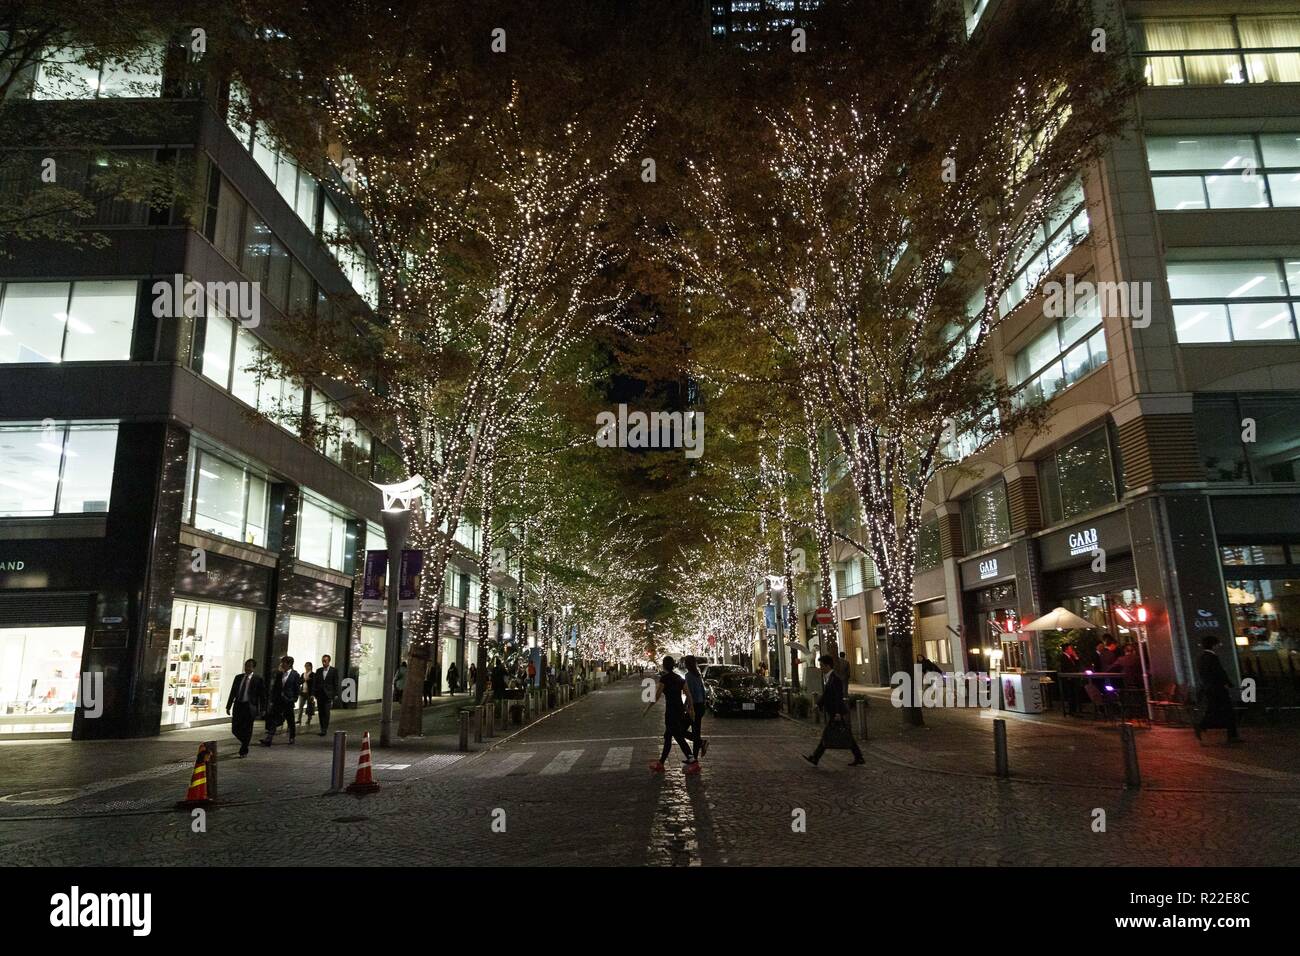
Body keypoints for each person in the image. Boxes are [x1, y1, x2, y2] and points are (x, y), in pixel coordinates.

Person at [804, 654, 865, 767]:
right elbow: (826, 695)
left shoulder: (835, 679)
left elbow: (838, 696)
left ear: (827, 666)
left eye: (822, 665)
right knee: (845, 734)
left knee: (828, 734)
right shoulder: (830, 678)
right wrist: (818, 705)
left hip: (835, 712)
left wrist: (837, 712)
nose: (820, 668)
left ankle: (815, 757)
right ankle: (859, 756)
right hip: (834, 711)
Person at [644, 655, 697, 774]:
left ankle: (693, 761)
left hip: (671, 711)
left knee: (677, 736)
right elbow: (689, 695)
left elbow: (657, 696)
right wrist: (691, 709)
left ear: (664, 665)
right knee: (668, 736)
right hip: (679, 710)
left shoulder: (664, 679)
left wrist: (648, 707)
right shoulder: (679, 678)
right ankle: (661, 763)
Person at [1195, 635, 1241, 743]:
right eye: (1217, 644)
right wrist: (1228, 683)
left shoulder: (1201, 658)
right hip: (1217, 688)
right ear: (1214, 645)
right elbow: (1219, 672)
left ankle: (1204, 726)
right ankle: (1203, 726)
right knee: (1226, 710)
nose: (1219, 646)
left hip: (1209, 688)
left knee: (1215, 709)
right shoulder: (1212, 657)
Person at [226, 658, 265, 757]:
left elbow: (262, 695)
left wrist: (263, 709)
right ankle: (245, 742)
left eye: (249, 666)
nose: (247, 668)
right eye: (246, 665)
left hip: (249, 707)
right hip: (238, 705)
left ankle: (244, 749)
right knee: (235, 729)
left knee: (248, 729)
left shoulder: (258, 679)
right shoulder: (238, 677)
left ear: (253, 668)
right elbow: (233, 692)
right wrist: (228, 706)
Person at [262, 656, 301, 746]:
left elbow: (296, 688)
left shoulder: (295, 675)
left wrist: (294, 699)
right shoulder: (279, 674)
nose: (282, 664)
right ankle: (269, 738)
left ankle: (292, 736)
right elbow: (275, 687)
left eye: (284, 663)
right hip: (278, 701)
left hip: (288, 701)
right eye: (282, 662)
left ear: (289, 664)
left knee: (290, 720)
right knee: (274, 719)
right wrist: (272, 699)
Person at [683, 656, 709, 763]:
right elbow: (702, 691)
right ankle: (695, 758)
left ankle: (701, 744)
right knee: (696, 732)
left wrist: (687, 707)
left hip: (694, 706)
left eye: (685, 662)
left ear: (687, 664)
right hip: (701, 706)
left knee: (681, 729)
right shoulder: (698, 675)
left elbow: (690, 694)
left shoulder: (688, 676)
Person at [314, 654, 339, 736]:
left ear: (329, 661)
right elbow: (315, 683)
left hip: (328, 694)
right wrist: (314, 693)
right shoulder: (319, 670)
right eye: (322, 661)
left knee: (326, 712)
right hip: (320, 694)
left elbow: (336, 683)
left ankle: (325, 729)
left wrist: (335, 694)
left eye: (325, 661)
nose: (323, 662)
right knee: (321, 712)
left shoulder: (334, 671)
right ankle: (322, 728)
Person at [1058, 643, 1083, 716]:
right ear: (1066, 649)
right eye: (1070, 648)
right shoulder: (1063, 658)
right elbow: (1066, 668)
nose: (1072, 650)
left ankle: (1075, 710)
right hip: (1069, 679)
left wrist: (1076, 657)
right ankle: (1072, 711)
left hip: (1074, 678)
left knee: (1074, 694)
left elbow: (1077, 666)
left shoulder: (1071, 657)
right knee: (1071, 695)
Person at [296, 662, 315, 727]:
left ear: (310, 667)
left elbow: (313, 685)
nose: (306, 667)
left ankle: (309, 719)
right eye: (305, 666)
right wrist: (304, 679)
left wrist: (312, 694)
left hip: (309, 693)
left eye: (308, 666)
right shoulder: (303, 674)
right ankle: (299, 719)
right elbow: (299, 682)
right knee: (300, 706)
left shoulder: (313, 674)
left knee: (309, 706)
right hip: (302, 692)